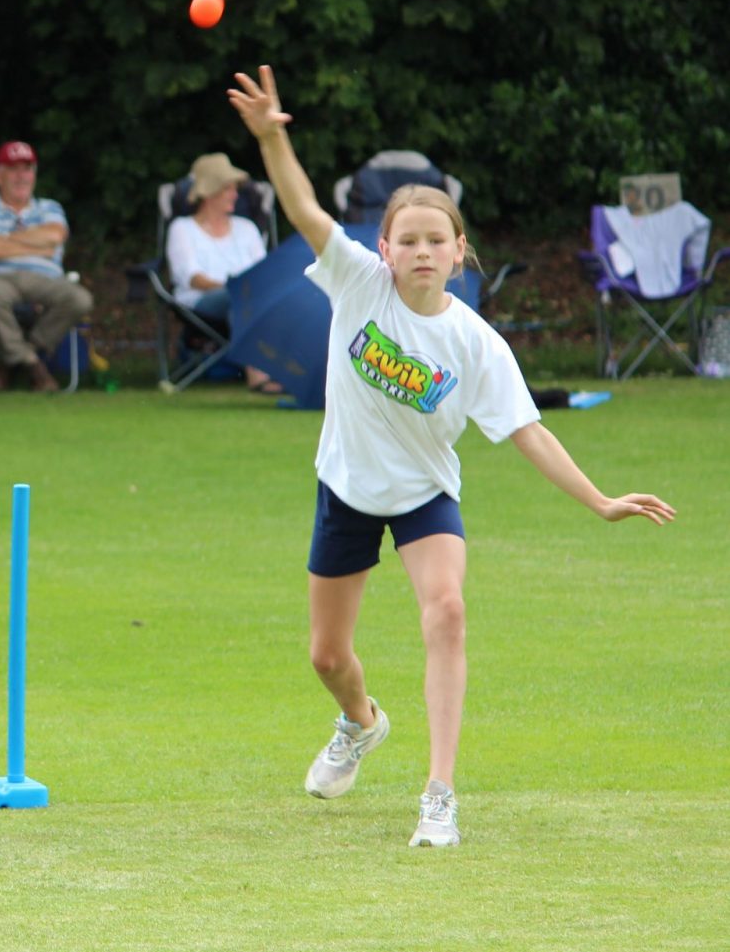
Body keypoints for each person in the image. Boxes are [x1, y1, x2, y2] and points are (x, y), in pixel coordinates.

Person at [227, 65, 675, 848]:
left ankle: (440, 796)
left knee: (448, 611)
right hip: (347, 490)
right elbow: (301, 208)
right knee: (328, 656)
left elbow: (528, 430)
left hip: (425, 498)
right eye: (409, 241)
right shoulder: (358, 285)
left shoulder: (475, 344)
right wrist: (272, 138)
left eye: (437, 240)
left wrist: (600, 499)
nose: (423, 251)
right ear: (386, 249)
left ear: (458, 251)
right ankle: (360, 723)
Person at [0, 141, 92, 392]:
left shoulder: (49, 207)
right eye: (13, 170)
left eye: (27, 169)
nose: (22, 176)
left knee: (79, 299)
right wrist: (35, 246)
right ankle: (34, 365)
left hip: (45, 279)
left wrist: (3, 240)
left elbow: (54, 237)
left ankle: (11, 363)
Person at [165, 152, 280, 393]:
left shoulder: (246, 228)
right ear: (210, 192)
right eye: (228, 189)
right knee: (242, 297)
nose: (235, 195)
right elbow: (193, 278)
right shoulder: (182, 229)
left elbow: (264, 272)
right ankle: (257, 375)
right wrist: (235, 287)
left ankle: (292, 372)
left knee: (279, 296)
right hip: (202, 300)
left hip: (251, 295)